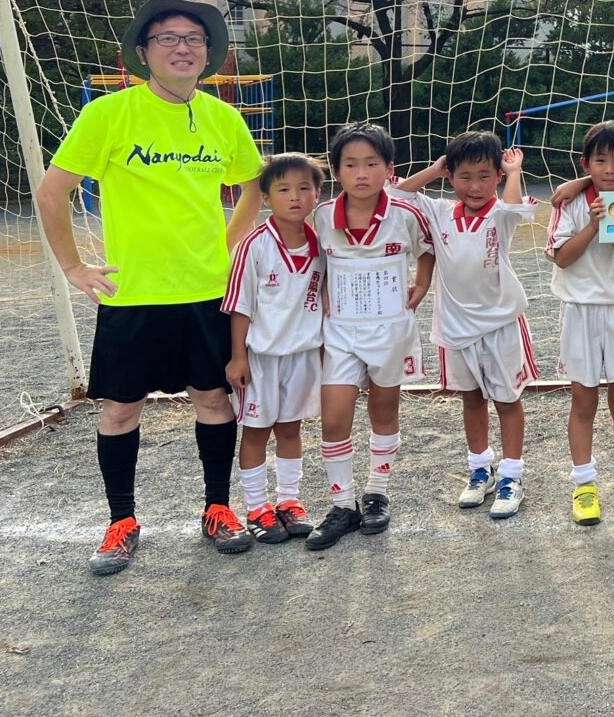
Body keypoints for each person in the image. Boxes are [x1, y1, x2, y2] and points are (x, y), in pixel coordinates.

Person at [36, 0, 263, 575]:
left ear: (208, 53)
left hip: (206, 291)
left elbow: (253, 189)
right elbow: (51, 191)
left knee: (213, 400)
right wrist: (74, 269)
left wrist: (227, 246)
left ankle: (217, 507)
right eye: (167, 39)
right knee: (118, 410)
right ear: (144, 53)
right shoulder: (109, 114)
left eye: (193, 38)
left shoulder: (223, 118)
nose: (182, 47)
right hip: (132, 294)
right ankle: (121, 520)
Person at [304, 124, 434, 550]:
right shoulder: (321, 217)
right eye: (350, 165)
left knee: (383, 408)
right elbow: (313, 266)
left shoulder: (406, 213)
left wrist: (422, 283)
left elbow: (428, 249)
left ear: (389, 169)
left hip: (390, 330)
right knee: (335, 417)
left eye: (371, 164)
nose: (361, 173)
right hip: (340, 332)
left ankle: (377, 493)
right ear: (337, 172)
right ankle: (342, 505)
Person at [396, 133, 538, 520]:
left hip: (500, 324)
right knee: (471, 398)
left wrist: (514, 172)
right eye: (464, 176)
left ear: (495, 176)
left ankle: (512, 475)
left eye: (484, 176)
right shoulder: (440, 211)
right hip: (456, 326)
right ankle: (480, 469)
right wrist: (435, 169)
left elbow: (512, 208)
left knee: (508, 401)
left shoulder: (500, 212)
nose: (474, 186)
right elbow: (398, 196)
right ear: (451, 177)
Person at [548, 121, 614, 527]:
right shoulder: (570, 203)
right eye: (600, 161)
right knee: (583, 401)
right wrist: (593, 225)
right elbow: (561, 258)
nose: (609, 169)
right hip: (580, 311)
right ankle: (584, 485)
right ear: (586, 163)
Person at [223, 153, 326, 543]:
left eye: (304, 188)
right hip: (260, 358)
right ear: (265, 197)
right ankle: (256, 508)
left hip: (302, 356)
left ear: (317, 194)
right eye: (283, 189)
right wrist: (238, 357)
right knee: (255, 431)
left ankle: (289, 501)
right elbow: (240, 305)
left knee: (290, 428)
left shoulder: (320, 244)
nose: (295, 197)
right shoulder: (254, 246)